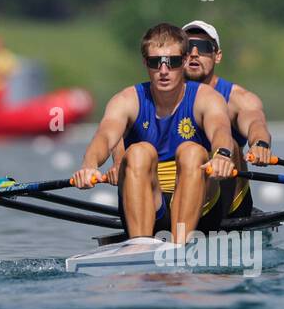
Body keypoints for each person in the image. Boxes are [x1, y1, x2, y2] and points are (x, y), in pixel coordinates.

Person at [72, 23, 235, 243]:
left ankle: (180, 245)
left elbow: (221, 130)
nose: (164, 71)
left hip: (202, 210)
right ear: (145, 63)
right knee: (139, 151)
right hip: (149, 201)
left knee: (192, 151)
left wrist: (223, 155)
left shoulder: (206, 98)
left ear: (185, 61)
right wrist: (89, 165)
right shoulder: (127, 100)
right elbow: (104, 136)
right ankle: (140, 247)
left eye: (173, 62)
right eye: (155, 62)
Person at [180, 20, 274, 222]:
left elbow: (255, 123)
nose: (194, 54)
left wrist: (260, 144)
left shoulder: (238, 98)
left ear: (218, 56)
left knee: (229, 144)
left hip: (227, 205)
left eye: (204, 48)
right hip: (177, 195)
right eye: (188, 48)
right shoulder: (164, 96)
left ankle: (222, 219)